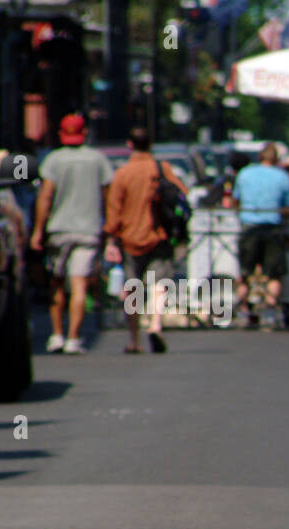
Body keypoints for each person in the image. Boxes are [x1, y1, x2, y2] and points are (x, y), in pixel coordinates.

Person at [30, 114, 114, 355]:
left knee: (56, 282)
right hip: (88, 229)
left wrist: (38, 231)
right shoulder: (97, 160)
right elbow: (109, 196)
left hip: (59, 229)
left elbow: (45, 197)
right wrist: (109, 227)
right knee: (79, 283)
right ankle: (74, 337)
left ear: (60, 134)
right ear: (84, 132)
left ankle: (57, 334)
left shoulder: (54, 160)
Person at [102, 127, 188, 354]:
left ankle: (134, 338)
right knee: (160, 283)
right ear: (151, 144)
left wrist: (111, 239)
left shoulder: (122, 174)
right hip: (158, 234)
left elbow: (113, 210)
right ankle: (156, 323)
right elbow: (182, 193)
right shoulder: (162, 168)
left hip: (130, 238)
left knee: (132, 287)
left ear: (130, 145)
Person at [233, 142, 289, 328]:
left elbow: (236, 199)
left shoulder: (245, 174)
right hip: (273, 227)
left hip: (250, 227)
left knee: (245, 272)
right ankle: (269, 311)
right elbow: (288, 207)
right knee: (273, 273)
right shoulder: (283, 176)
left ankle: (243, 311)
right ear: (276, 159)